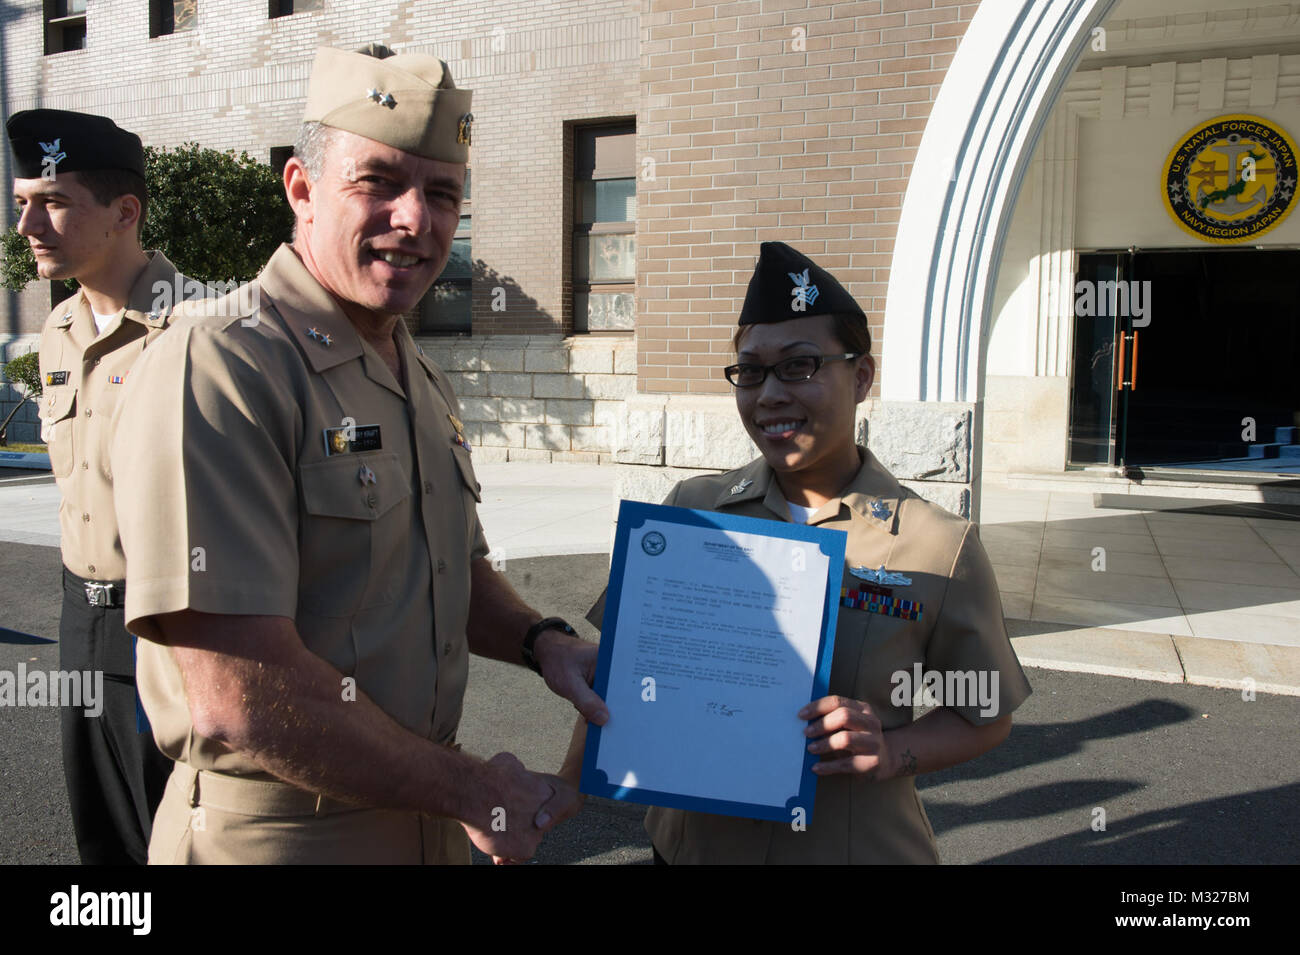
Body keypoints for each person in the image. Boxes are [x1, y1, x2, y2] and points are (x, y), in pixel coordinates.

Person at [109, 43, 606, 865]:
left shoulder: (414, 368)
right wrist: (472, 789)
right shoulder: (222, 365)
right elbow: (242, 696)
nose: (416, 219)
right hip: (282, 837)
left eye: (443, 193)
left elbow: (448, 571)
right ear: (301, 191)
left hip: (427, 817)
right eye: (377, 182)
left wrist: (543, 640)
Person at [568, 241, 1033, 863]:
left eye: (799, 366)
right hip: (690, 851)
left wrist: (892, 749)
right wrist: (563, 787)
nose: (769, 395)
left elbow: (983, 711)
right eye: (751, 371)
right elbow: (622, 674)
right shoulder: (692, 512)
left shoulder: (936, 543)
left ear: (862, 377)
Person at [8, 108, 186, 865]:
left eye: (51, 200)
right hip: (80, 610)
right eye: (20, 201)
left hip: (172, 618)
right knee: (103, 834)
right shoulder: (58, 330)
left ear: (124, 212)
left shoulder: (197, 331)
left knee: (180, 830)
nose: (27, 224)